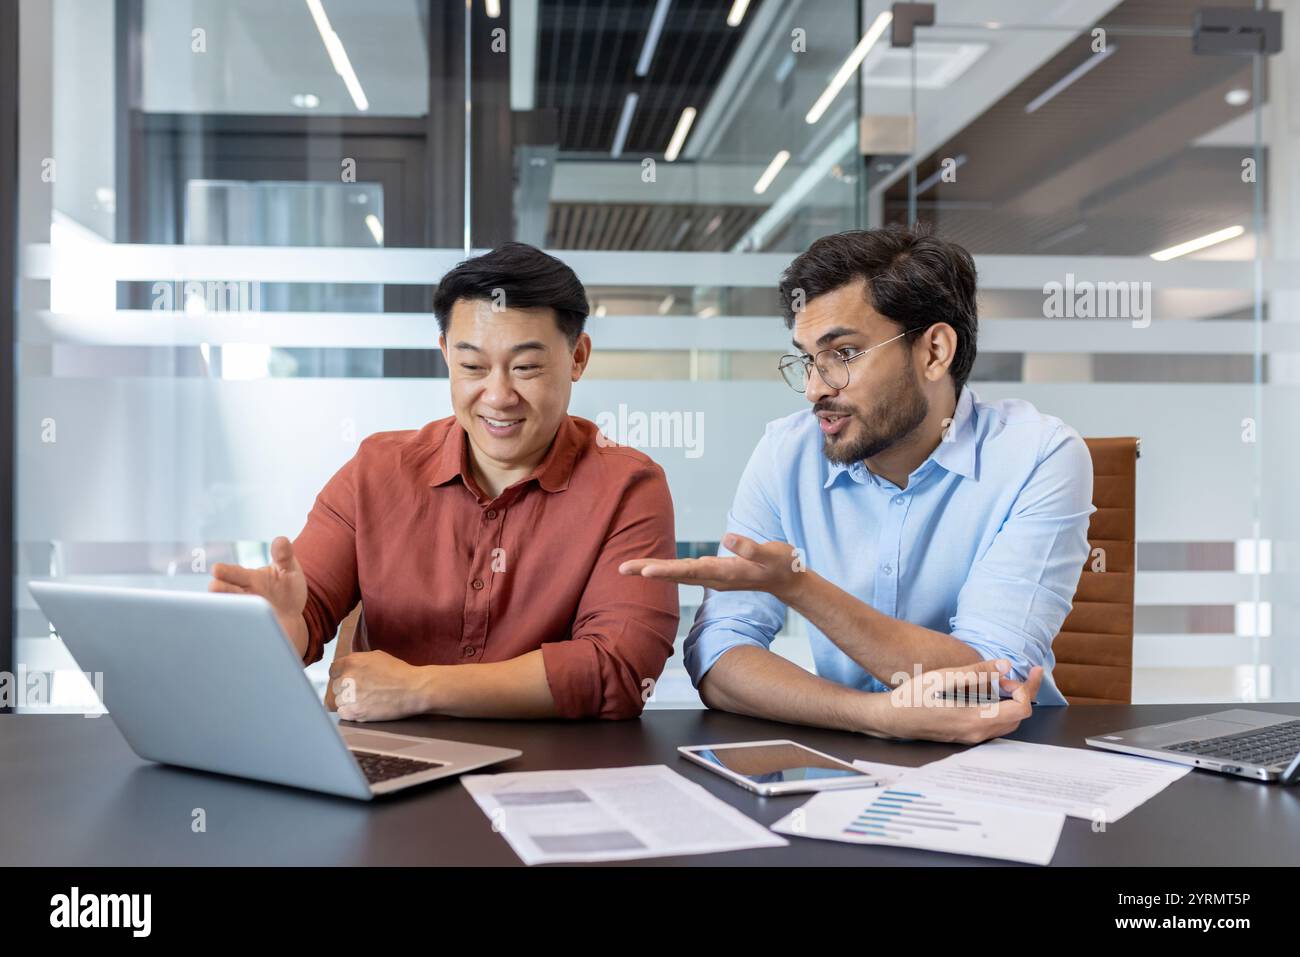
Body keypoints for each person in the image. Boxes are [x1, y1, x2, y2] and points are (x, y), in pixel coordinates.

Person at [621, 224, 1094, 743]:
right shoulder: (787, 453)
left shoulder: (1038, 455)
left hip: (1006, 762)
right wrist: (871, 714)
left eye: (842, 355)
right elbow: (718, 654)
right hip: (851, 765)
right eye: (807, 359)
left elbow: (987, 683)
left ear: (934, 351)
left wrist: (798, 587)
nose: (813, 390)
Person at [210, 243, 679, 722]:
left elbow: (618, 669)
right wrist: (286, 629)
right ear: (445, 355)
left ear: (577, 357)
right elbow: (305, 613)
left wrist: (421, 686)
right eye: (472, 366)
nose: (498, 396)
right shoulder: (377, 469)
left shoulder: (627, 487)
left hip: (547, 772)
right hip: (390, 770)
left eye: (525, 367)